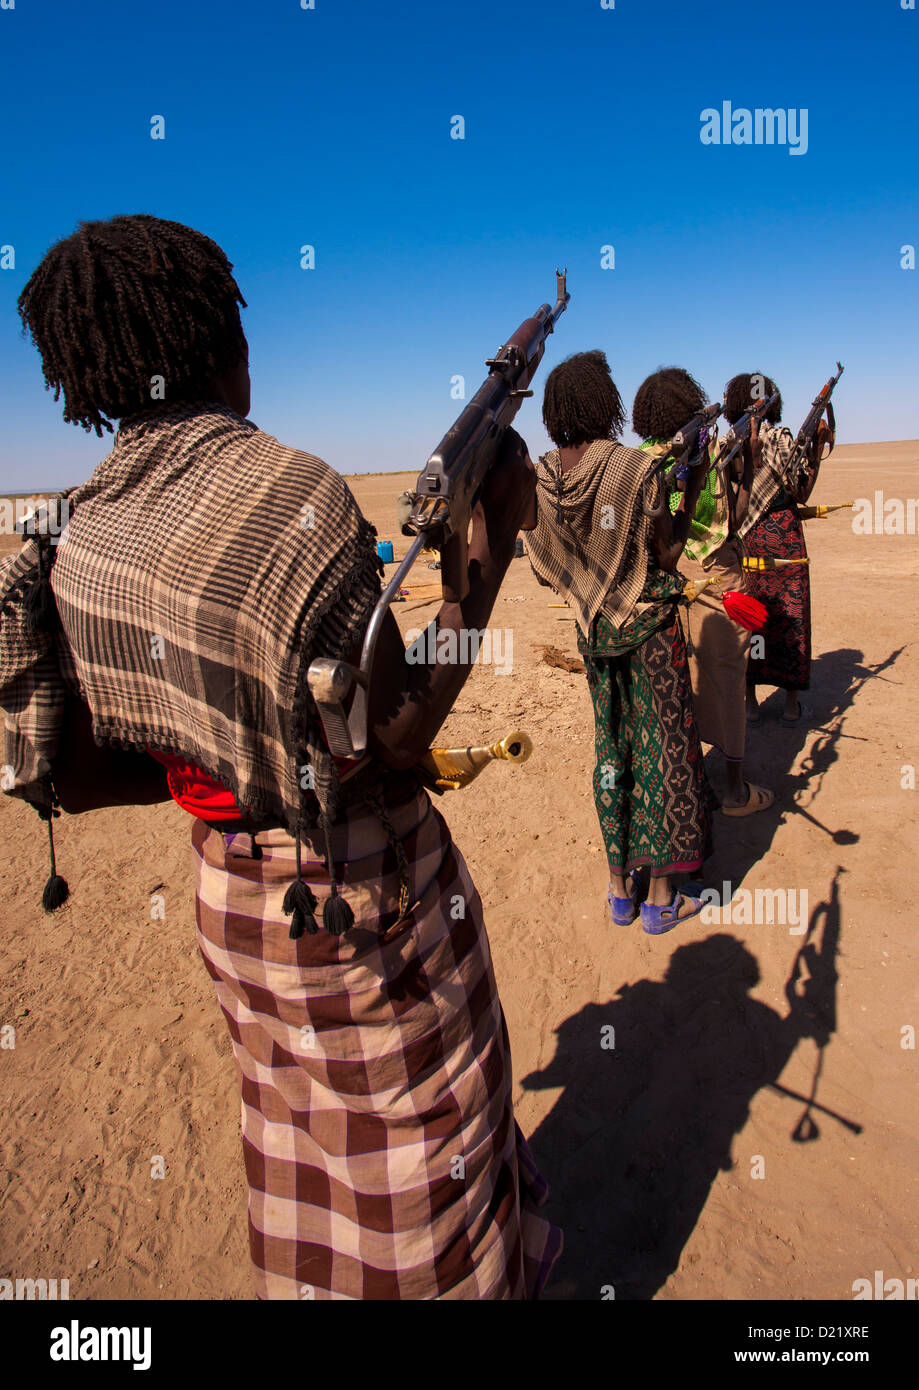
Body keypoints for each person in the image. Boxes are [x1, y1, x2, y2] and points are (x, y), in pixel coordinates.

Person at [1, 214, 561, 1300]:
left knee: (303, 1142)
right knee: (422, 1157)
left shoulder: (81, 533)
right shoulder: (287, 495)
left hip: (235, 906)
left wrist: (229, 773)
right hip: (361, 892)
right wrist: (478, 568)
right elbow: (396, 729)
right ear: (224, 339)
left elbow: (74, 765)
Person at [524, 350, 713, 935]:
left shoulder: (541, 478)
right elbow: (668, 552)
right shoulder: (634, 469)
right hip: (649, 627)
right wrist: (696, 480)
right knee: (662, 750)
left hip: (593, 632)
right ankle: (659, 895)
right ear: (604, 405)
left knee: (613, 753)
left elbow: (541, 564)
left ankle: (617, 891)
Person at [632, 367, 773, 815]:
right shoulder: (709, 451)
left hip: (665, 581)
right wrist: (749, 461)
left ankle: (688, 780)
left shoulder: (637, 459)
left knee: (679, 682)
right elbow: (740, 515)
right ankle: (734, 789)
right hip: (717, 577)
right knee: (729, 678)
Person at [724, 373, 829, 727]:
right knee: (791, 616)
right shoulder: (780, 438)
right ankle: (790, 705)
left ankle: (750, 702)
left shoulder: (728, 441)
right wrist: (814, 450)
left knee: (753, 616)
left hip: (746, 537)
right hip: (783, 535)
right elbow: (801, 491)